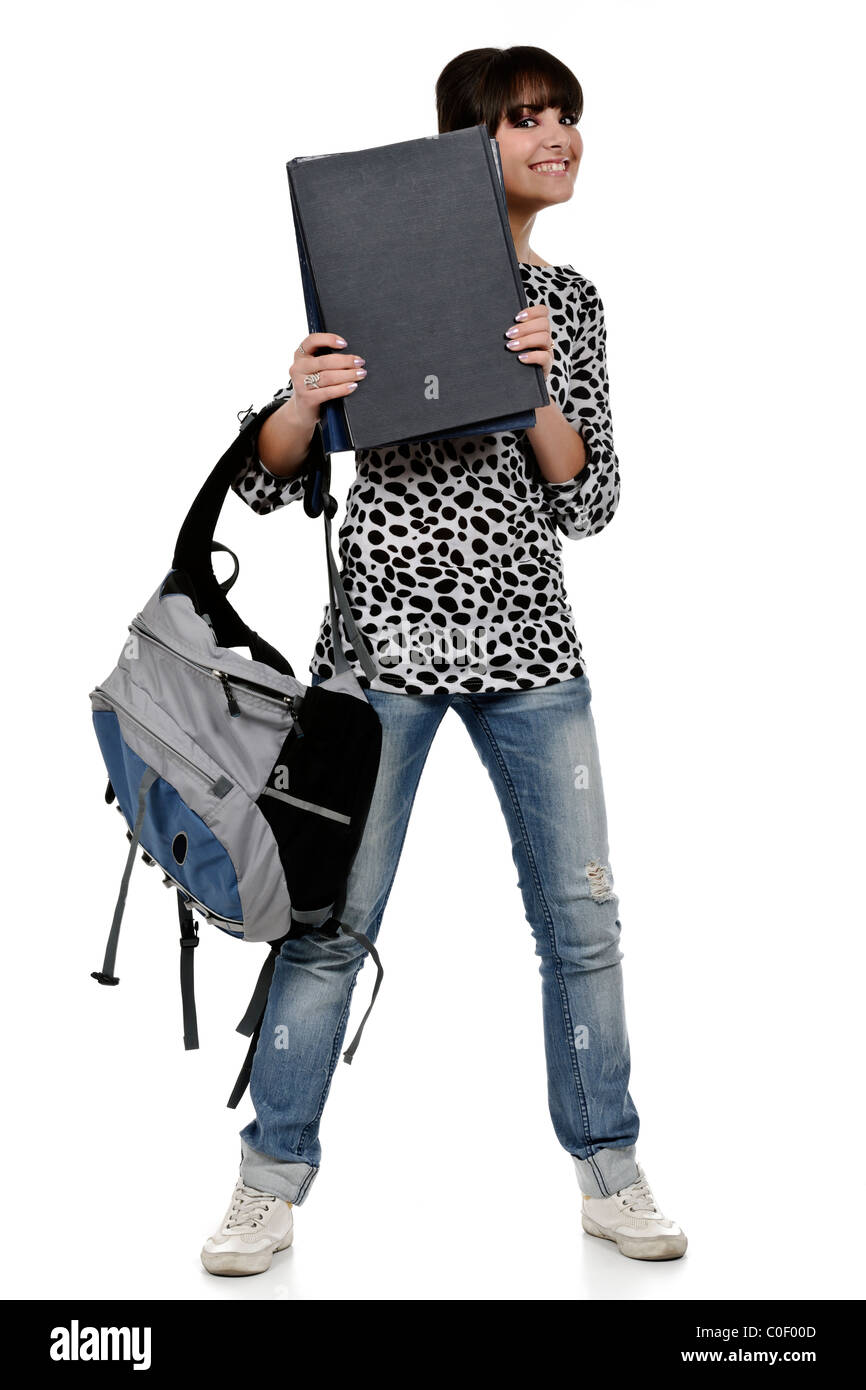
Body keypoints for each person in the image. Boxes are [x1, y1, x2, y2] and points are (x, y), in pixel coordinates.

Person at [201, 45, 687, 1277]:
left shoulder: (567, 302)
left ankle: (607, 1165)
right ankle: (268, 1184)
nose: (555, 134)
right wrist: (306, 399)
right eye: (524, 118)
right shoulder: (375, 271)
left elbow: (593, 501)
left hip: (529, 641)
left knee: (580, 919)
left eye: (564, 114)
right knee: (327, 920)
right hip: (380, 644)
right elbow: (266, 477)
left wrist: (531, 391)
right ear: (468, 148)